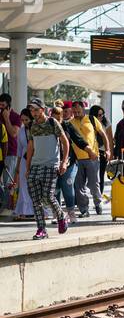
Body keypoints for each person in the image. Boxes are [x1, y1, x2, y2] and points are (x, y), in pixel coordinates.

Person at [25, 98, 69, 239]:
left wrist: (63, 162)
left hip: (51, 165)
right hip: (35, 165)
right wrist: (27, 168)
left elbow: (65, 142)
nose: (33, 113)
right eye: (31, 110)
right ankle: (41, 229)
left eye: (36, 110)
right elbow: (30, 147)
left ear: (42, 110)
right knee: (35, 199)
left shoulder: (52, 122)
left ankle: (61, 215)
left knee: (48, 196)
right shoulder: (32, 126)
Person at [70, 100, 109, 217]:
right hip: (77, 160)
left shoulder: (91, 119)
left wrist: (108, 150)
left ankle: (98, 203)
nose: (76, 113)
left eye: (78, 111)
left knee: (94, 184)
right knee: (79, 186)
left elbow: (103, 135)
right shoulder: (70, 123)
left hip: (92, 157)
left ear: (83, 109)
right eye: (74, 112)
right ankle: (84, 210)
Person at [0, 92, 22, 214]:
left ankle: (8, 207)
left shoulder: (15, 116)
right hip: (0, 153)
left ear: (8, 106)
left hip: (10, 152)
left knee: (8, 181)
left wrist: (7, 118)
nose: (1, 108)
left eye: (3, 105)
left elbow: (14, 133)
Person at [89, 104, 112, 199]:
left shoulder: (106, 123)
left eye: (102, 114)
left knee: (100, 175)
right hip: (91, 153)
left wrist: (111, 153)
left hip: (102, 152)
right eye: (99, 115)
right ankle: (93, 193)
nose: (101, 116)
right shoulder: (89, 123)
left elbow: (110, 139)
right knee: (92, 176)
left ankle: (99, 196)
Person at [14, 107, 33, 220]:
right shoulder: (21, 131)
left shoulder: (36, 129)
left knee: (33, 186)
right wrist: (17, 166)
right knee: (24, 186)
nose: (24, 122)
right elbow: (19, 150)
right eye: (22, 120)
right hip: (23, 162)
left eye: (26, 120)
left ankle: (34, 210)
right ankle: (25, 210)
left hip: (35, 160)